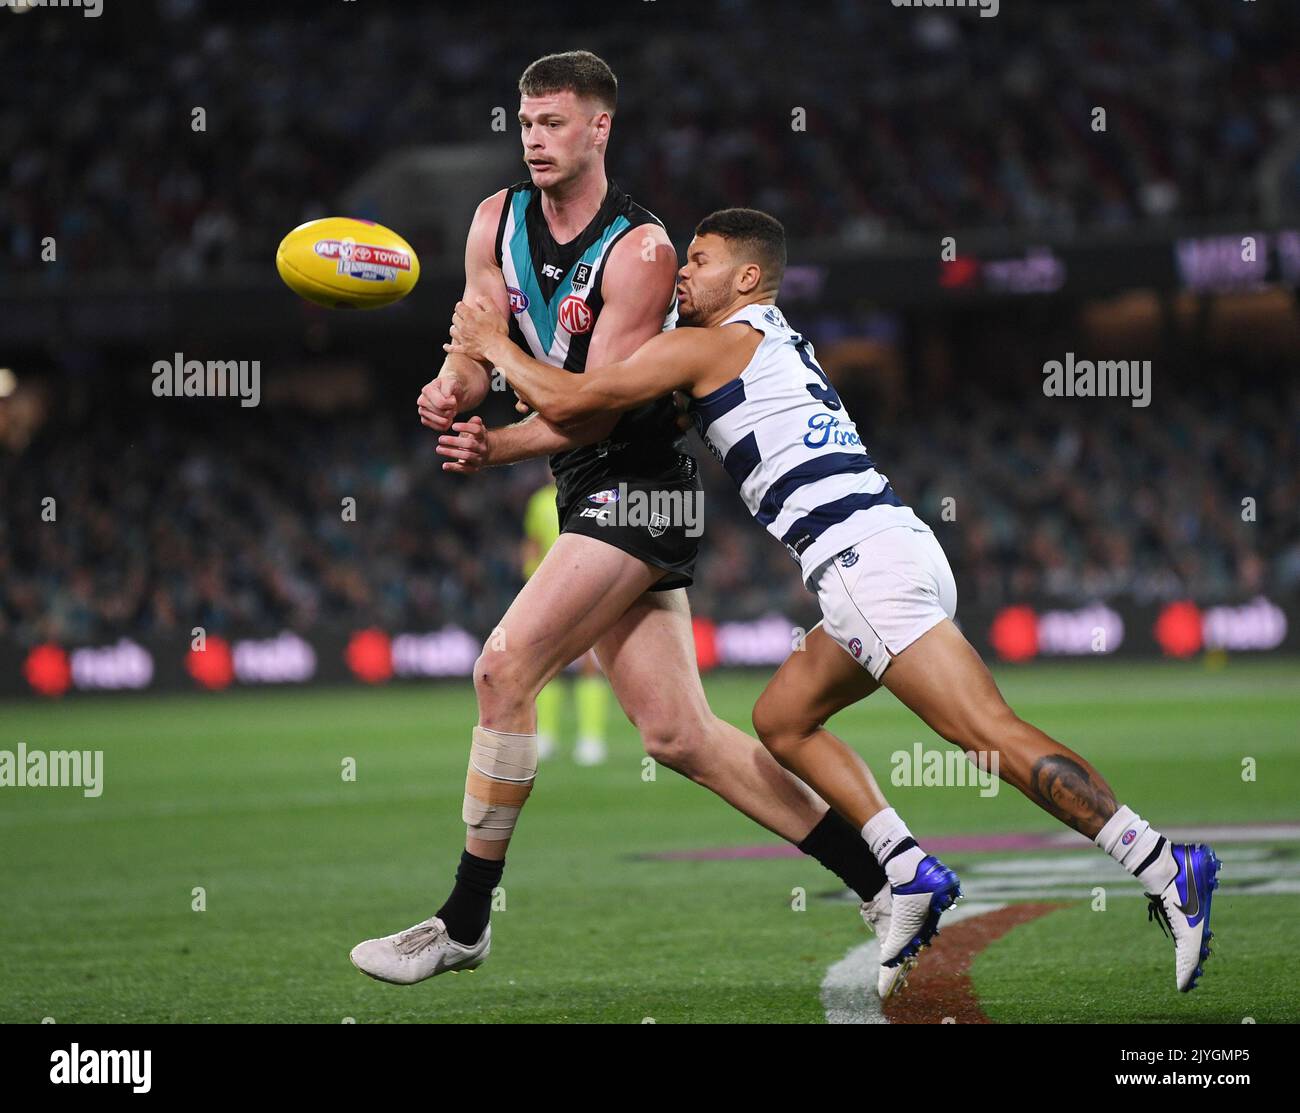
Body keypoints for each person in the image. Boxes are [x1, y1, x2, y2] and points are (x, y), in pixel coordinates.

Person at [445, 206, 1222, 994]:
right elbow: (606, 417)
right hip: (894, 545)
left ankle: (1164, 863)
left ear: (747, 277)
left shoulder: (705, 345)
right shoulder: (769, 338)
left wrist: (493, 343)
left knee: (988, 732)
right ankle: (906, 868)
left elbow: (579, 400)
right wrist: (498, 445)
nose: (682, 272)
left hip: (861, 564)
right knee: (783, 718)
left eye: (701, 260)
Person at [351, 55, 902, 995]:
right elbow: (475, 345)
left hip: (643, 485)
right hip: (585, 488)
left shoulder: (640, 249)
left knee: (502, 668)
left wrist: (498, 436)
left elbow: (592, 408)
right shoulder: (493, 220)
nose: (533, 139)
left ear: (599, 128)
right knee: (680, 736)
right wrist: (452, 388)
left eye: (553, 122)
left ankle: (464, 919)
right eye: (525, 121)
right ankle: (884, 881)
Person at [522, 477, 610, 765]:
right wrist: (533, 580)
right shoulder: (539, 501)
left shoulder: (594, 494)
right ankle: (546, 736)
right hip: (548, 594)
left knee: (589, 665)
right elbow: (533, 545)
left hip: (588, 591)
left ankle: (591, 739)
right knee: (547, 666)